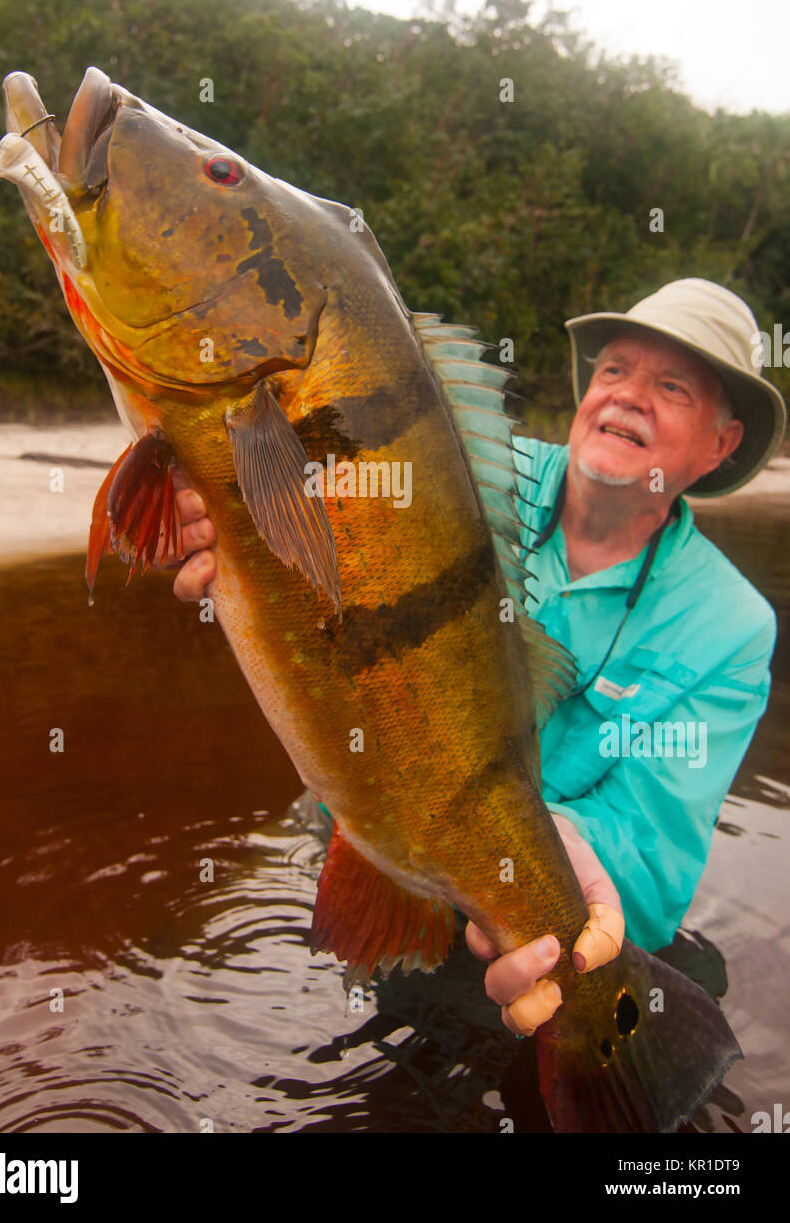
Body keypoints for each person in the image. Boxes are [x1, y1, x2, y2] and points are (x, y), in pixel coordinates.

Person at [168, 277, 786, 1040]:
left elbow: (652, 879)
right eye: (614, 369)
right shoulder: (464, 470)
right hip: (359, 848)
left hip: (525, 924)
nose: (628, 396)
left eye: (671, 387)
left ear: (721, 444)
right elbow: (298, 490)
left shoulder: (728, 626)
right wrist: (220, 518)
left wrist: (519, 852)